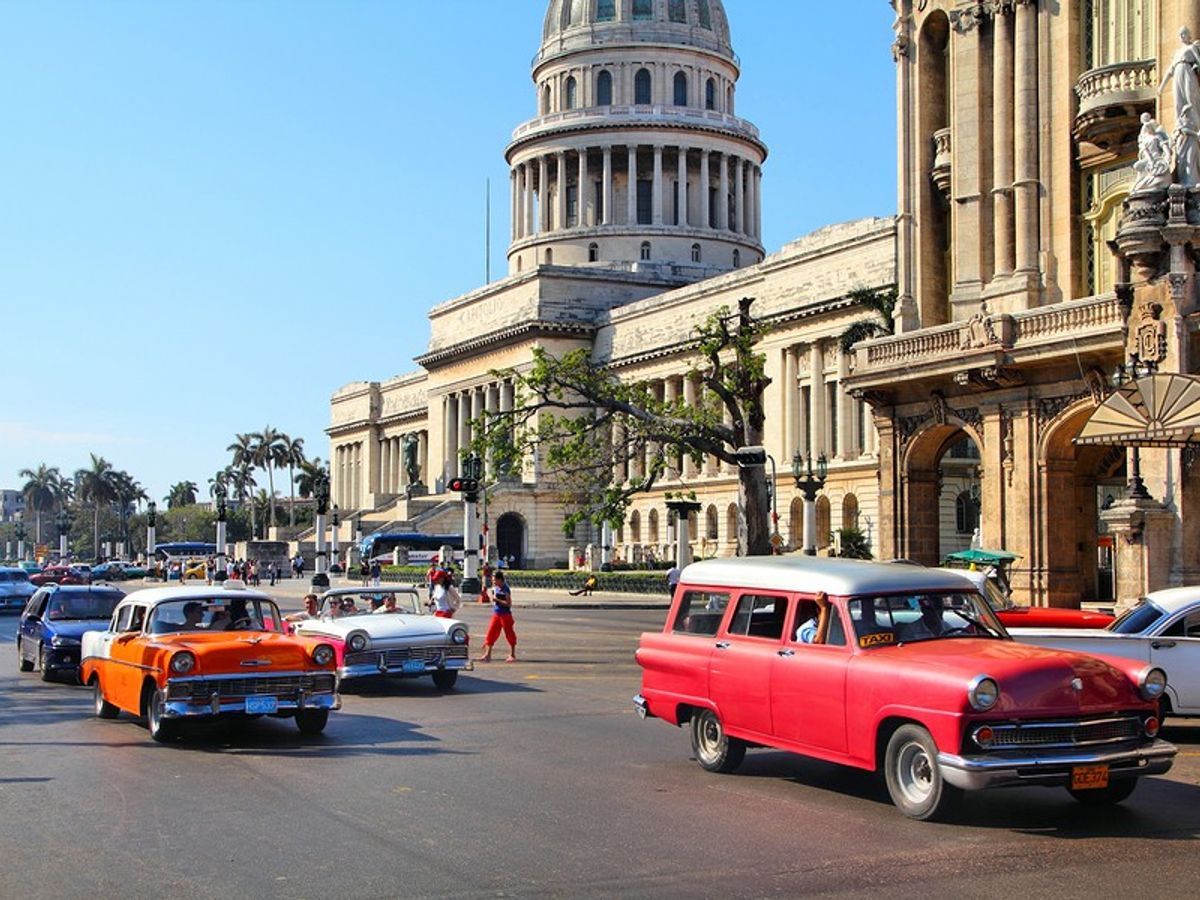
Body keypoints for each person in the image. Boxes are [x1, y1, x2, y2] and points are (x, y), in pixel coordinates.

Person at [477, 570, 517, 663]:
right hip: (497, 613)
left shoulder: (505, 589)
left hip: (505, 615)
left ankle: (512, 654)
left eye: (495, 580)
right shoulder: (496, 588)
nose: (493, 582)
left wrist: (497, 600)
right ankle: (488, 654)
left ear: (500, 579)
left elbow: (508, 604)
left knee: (509, 634)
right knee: (491, 633)